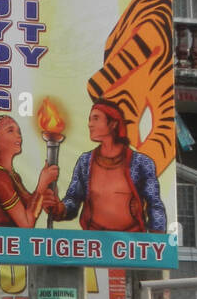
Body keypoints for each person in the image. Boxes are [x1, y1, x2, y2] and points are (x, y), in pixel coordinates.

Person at [47, 99, 166, 233]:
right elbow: (73, 200)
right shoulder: (85, 161)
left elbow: (154, 206)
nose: (90, 124)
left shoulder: (141, 163)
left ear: (113, 123)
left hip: (131, 243)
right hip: (94, 243)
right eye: (90, 119)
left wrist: (157, 242)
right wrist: (59, 209)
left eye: (96, 118)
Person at [0, 115, 60, 227]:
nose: (18, 136)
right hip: (3, 241)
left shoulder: (12, 175)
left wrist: (46, 191)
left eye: (18, 131)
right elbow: (27, 225)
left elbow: (29, 206)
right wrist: (42, 185)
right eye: (10, 130)